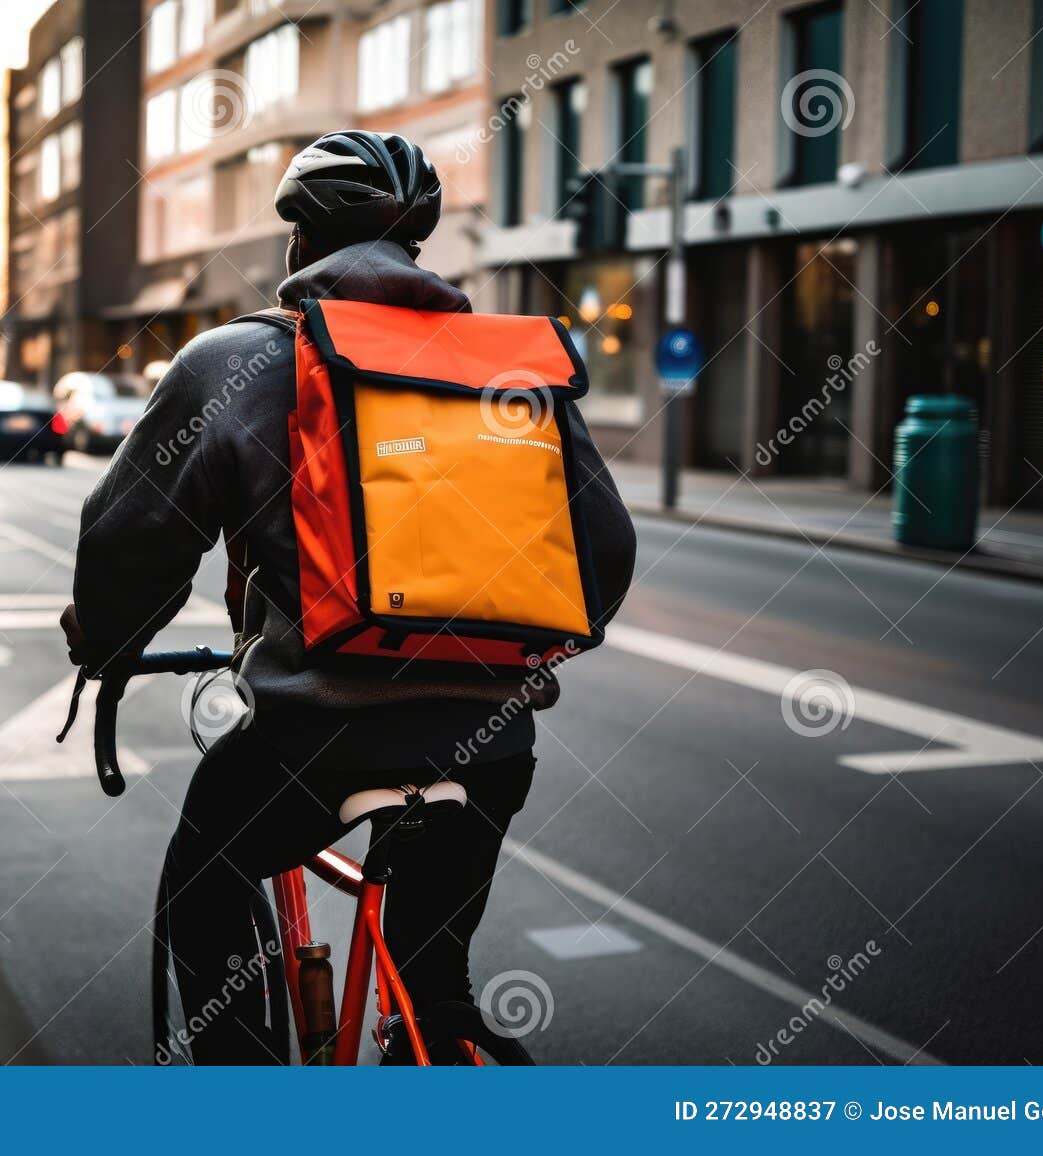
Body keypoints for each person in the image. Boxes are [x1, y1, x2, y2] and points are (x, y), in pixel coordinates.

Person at [66, 130, 636, 1063]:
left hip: (310, 743)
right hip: (491, 747)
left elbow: (134, 539)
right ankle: (441, 1033)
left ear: (298, 244)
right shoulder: (513, 368)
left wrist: (106, 637)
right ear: (418, 247)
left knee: (204, 877)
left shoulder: (236, 363)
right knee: (431, 976)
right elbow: (603, 552)